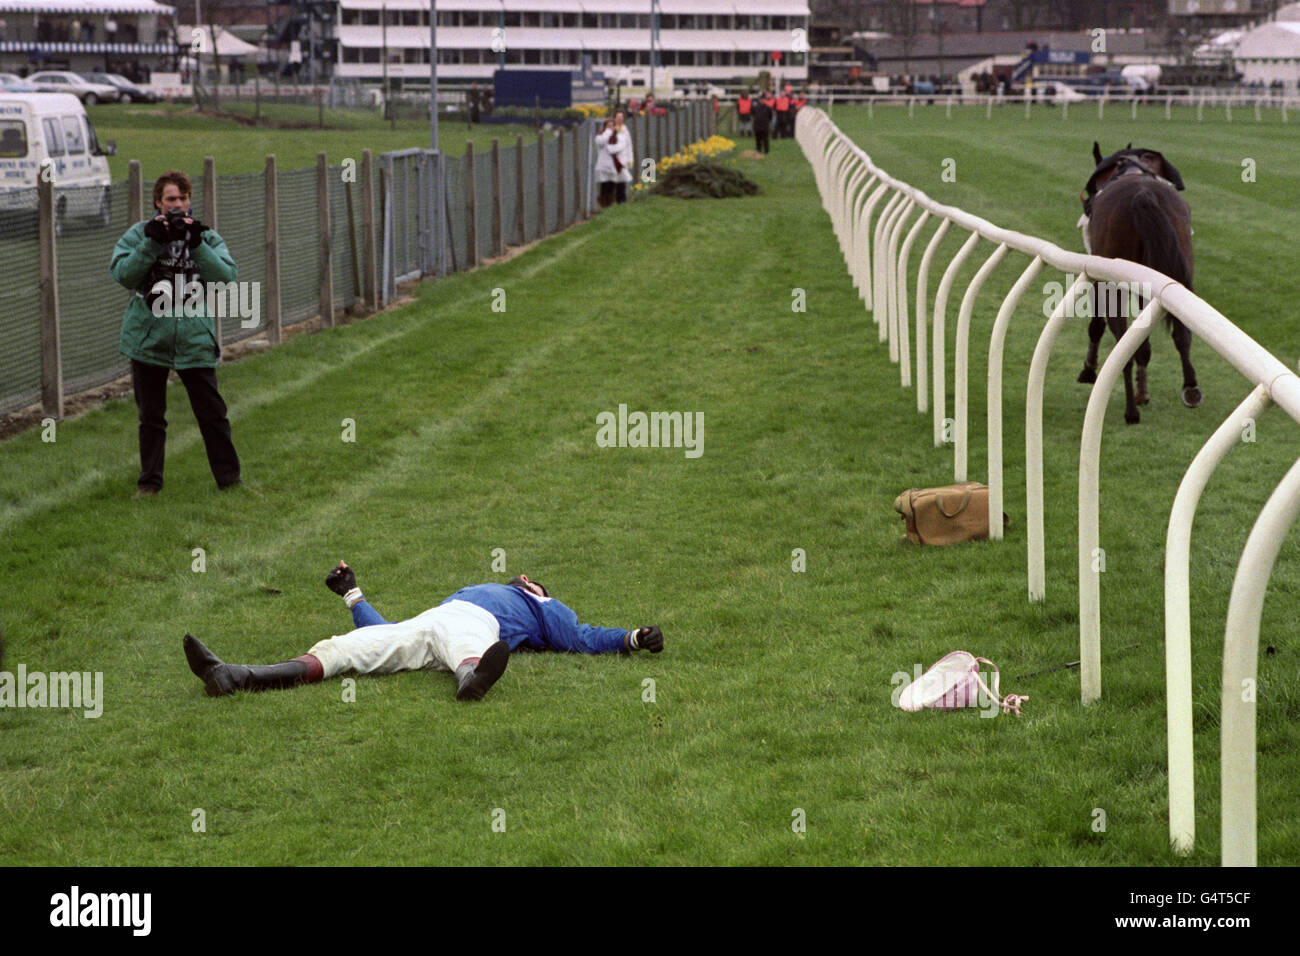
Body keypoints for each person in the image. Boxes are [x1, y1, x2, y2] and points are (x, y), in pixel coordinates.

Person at [182, 562, 665, 703]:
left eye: (533, 578)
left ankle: (472, 678)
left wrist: (630, 638)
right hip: (427, 623)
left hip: (473, 628)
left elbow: (577, 637)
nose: (526, 576)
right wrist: (352, 595)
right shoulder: (472, 592)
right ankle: (238, 676)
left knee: (468, 645)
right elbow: (387, 630)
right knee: (351, 648)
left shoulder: (538, 604)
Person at [110, 170, 241, 497]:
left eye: (183, 198)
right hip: (148, 338)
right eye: (171, 199)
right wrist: (151, 243)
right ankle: (149, 484)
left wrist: (197, 246)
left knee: (213, 413)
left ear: (190, 201)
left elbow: (225, 277)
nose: (178, 205)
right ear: (158, 202)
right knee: (151, 416)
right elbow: (124, 275)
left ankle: (230, 481)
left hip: (194, 336)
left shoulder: (207, 237)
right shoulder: (139, 234)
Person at [595, 109, 633, 205]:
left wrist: (629, 159)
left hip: (617, 164)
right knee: (605, 187)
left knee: (619, 184)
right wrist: (608, 132)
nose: (620, 119)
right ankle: (605, 205)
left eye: (621, 117)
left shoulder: (621, 133)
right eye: (618, 117)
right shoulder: (600, 135)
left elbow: (624, 145)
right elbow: (601, 142)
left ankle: (620, 202)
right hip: (605, 166)